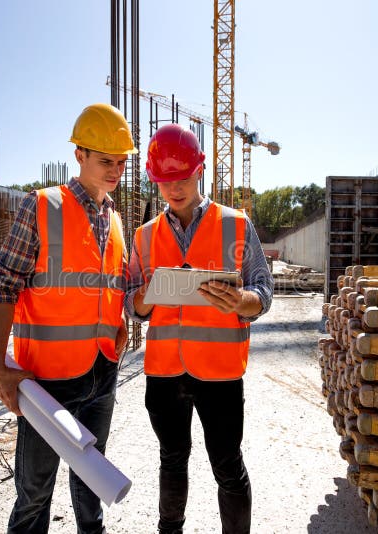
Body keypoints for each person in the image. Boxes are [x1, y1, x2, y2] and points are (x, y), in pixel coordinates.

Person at [0, 102, 136, 534]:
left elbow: (108, 287)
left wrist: (118, 323)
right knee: (35, 492)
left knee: (93, 480)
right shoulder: (43, 206)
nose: (114, 170)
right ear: (80, 155)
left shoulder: (117, 221)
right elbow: (3, 285)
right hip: (47, 379)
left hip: (102, 370)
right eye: (105, 160)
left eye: (121, 162)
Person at [125, 123, 274, 534]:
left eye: (183, 177)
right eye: (164, 181)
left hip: (220, 372)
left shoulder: (236, 224)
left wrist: (244, 301)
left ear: (200, 171)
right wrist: (148, 297)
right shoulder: (144, 236)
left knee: (227, 464)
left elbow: (263, 287)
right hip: (165, 372)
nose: (174, 188)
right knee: (172, 459)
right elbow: (132, 304)